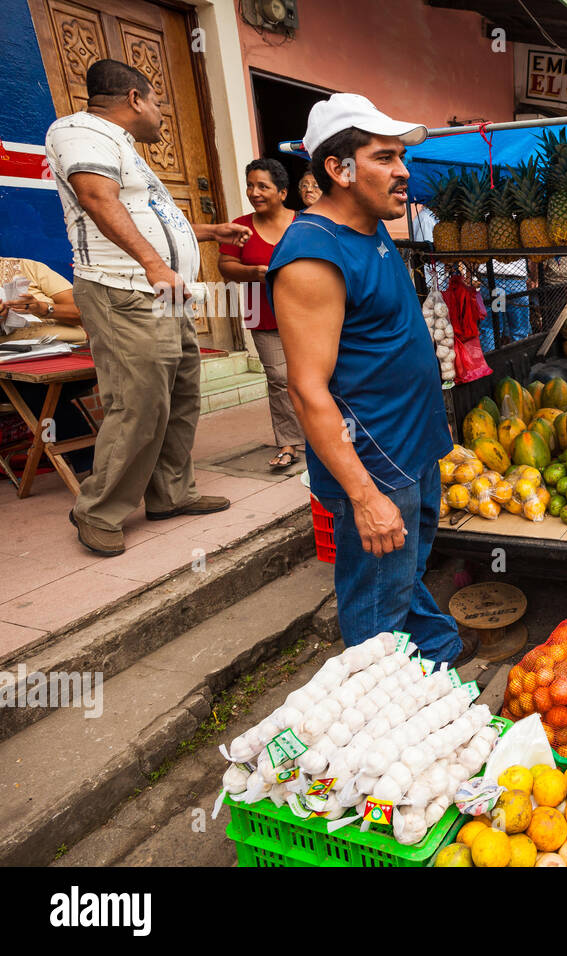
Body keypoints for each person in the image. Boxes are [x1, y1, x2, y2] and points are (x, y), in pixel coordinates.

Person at [267, 93, 465, 665]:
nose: (404, 171)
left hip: (413, 448)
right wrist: (363, 494)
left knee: (404, 572)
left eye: (402, 157)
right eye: (385, 157)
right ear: (339, 168)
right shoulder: (313, 256)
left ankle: (435, 649)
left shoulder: (370, 228)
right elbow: (307, 391)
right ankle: (375, 701)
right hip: (377, 463)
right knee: (377, 601)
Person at [44, 59, 250, 556]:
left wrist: (206, 233)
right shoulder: (79, 130)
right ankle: (96, 510)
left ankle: (171, 494)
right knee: (137, 403)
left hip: (162, 294)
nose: (160, 113)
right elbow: (96, 197)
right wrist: (156, 265)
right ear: (134, 98)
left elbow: (147, 213)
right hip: (124, 291)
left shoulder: (123, 147)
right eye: (157, 101)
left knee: (179, 396)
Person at [218, 158, 306, 470]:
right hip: (261, 311)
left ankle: (324, 437)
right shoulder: (239, 226)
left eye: (263, 186)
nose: (254, 192)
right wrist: (252, 272)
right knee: (279, 378)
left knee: (316, 376)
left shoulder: (304, 223)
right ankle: (289, 442)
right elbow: (225, 268)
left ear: (282, 192)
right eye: (250, 185)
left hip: (308, 315)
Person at [0, 257, 97, 474]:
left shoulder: (29, 268)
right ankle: (91, 464)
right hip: (13, 369)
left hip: (70, 353)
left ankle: (101, 458)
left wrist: (43, 308)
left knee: (121, 366)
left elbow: (85, 311)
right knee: (33, 390)